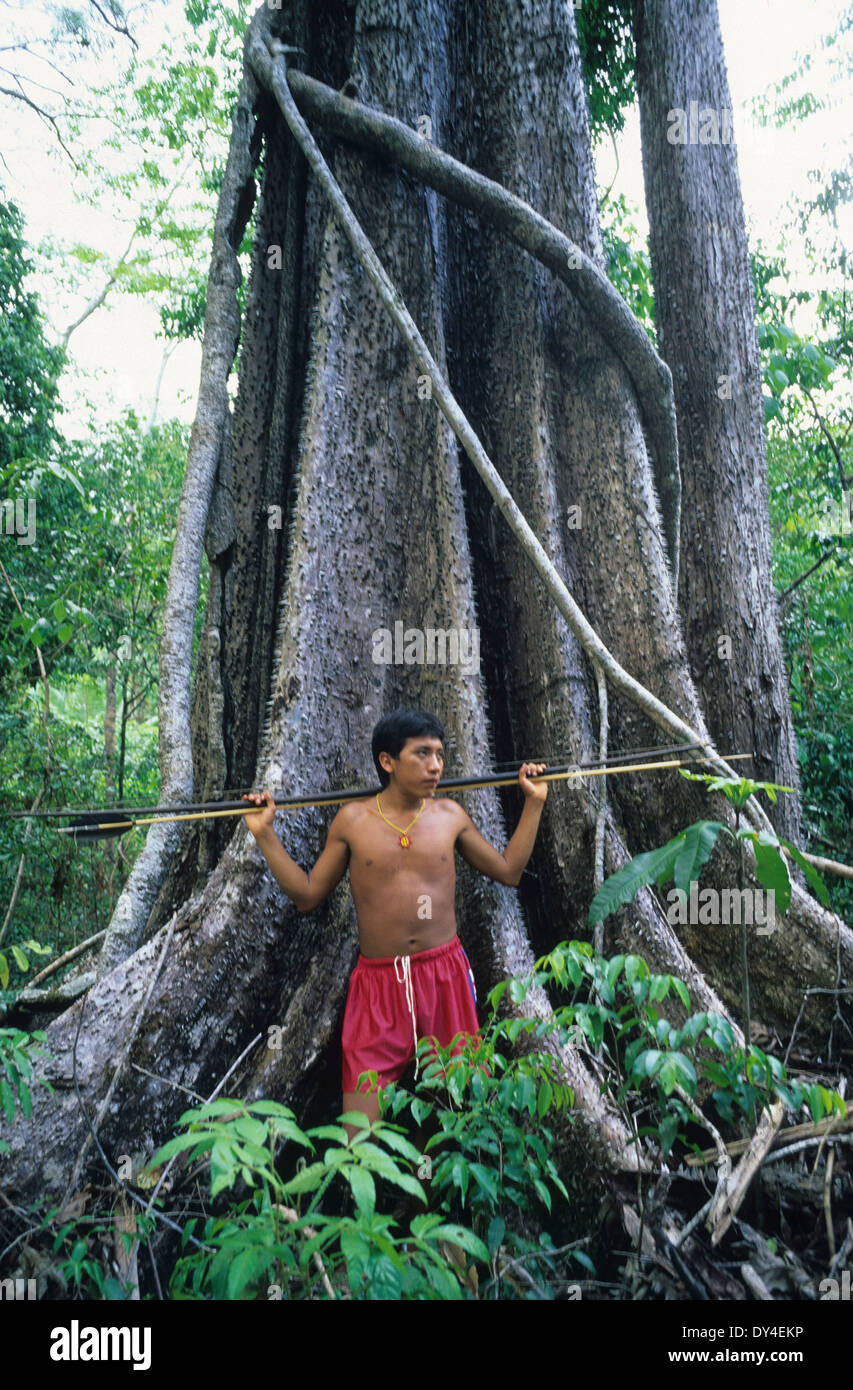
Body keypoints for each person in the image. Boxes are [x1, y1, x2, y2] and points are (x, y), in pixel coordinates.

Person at [243, 708, 548, 1131]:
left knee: (457, 1112)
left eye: (439, 754)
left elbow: (509, 870)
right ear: (388, 761)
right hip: (379, 986)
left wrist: (534, 803)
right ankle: (363, 1192)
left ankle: (430, 1195)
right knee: (358, 1131)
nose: (436, 765)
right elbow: (308, 894)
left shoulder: (449, 816)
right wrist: (265, 834)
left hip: (445, 979)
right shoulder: (353, 820)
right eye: (422, 753)